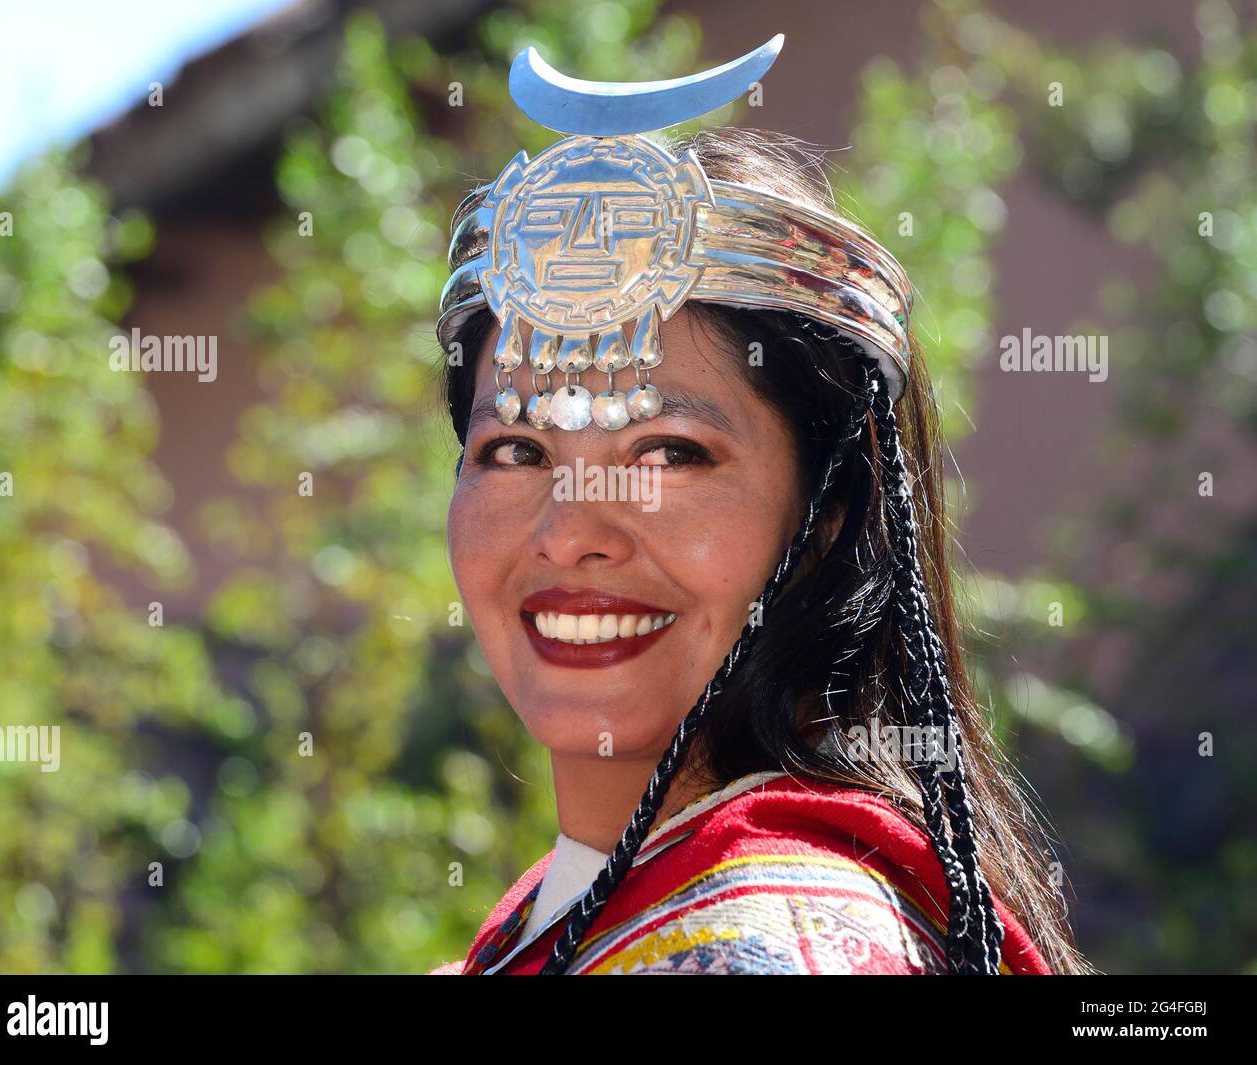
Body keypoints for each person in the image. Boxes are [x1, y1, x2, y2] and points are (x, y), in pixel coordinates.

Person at [428, 35, 1089, 974]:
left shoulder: (764, 945)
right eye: (517, 449)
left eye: (667, 453)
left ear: (824, 518)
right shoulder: (565, 915)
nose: (570, 531)